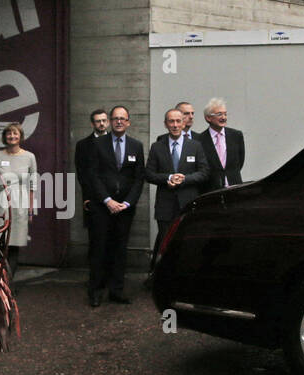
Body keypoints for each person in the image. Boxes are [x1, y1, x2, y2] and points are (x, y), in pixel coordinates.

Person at [86, 105, 144, 306]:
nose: (119, 121)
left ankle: (116, 291)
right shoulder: (98, 144)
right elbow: (92, 175)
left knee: (120, 250)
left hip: (125, 209)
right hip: (102, 207)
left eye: (123, 118)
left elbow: (138, 179)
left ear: (128, 122)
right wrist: (108, 201)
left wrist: (127, 203)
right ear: (110, 121)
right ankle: (95, 291)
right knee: (99, 249)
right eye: (115, 118)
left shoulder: (136, 146)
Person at [145, 108, 209, 270]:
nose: (175, 125)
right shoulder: (157, 147)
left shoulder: (195, 146)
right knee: (166, 246)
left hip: (188, 204)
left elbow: (204, 173)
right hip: (165, 205)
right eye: (171, 121)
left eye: (178, 121)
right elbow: (149, 174)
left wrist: (184, 179)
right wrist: (168, 178)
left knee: (188, 244)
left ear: (183, 123)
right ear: (165, 124)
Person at [0, 122, 37, 278]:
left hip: (20, 206)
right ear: (5, 137)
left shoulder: (29, 157)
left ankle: (8, 282)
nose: (12, 136)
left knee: (14, 244)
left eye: (15, 133)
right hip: (0, 204)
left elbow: (33, 184)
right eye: (9, 133)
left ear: (20, 136)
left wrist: (31, 209)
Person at [74, 108, 109, 281]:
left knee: (113, 241)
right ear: (92, 124)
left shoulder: (116, 142)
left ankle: (110, 278)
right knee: (96, 241)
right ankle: (96, 280)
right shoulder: (83, 145)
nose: (101, 124)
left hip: (115, 200)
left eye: (104, 120)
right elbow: (82, 174)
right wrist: (87, 197)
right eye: (98, 121)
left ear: (108, 122)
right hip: (93, 199)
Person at [197, 97, 245, 191]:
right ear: (208, 118)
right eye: (219, 114)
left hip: (235, 188)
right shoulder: (199, 140)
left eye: (225, 114)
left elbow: (240, 161)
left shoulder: (236, 135)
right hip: (210, 191)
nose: (223, 117)